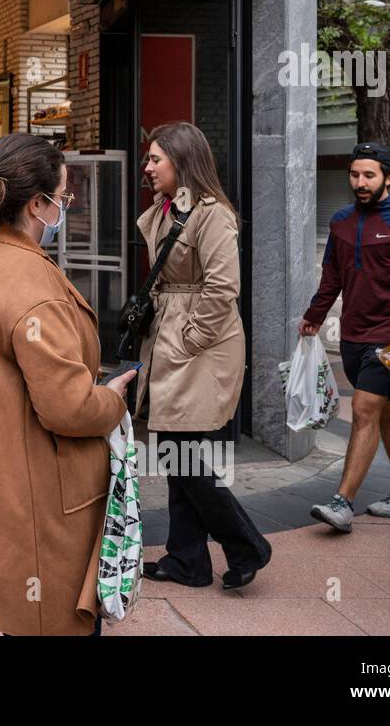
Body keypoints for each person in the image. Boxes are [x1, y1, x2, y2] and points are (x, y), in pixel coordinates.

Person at [0, 132, 135, 636]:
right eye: (63, 198)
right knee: (49, 624)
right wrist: (111, 399)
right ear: (37, 204)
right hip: (39, 498)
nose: (66, 207)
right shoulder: (31, 283)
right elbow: (68, 408)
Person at [135, 121, 271, 591]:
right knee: (177, 456)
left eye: (156, 159)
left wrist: (190, 339)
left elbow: (222, 287)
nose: (147, 167)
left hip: (201, 344)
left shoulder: (214, 214)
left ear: (182, 161)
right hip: (172, 337)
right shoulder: (165, 211)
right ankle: (186, 561)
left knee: (184, 456)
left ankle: (246, 545)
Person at [302, 142, 390, 531]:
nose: (360, 182)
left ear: (388, 176)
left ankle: (343, 502)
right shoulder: (340, 221)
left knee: (363, 409)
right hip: (354, 334)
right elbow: (332, 277)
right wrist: (314, 316)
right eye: (355, 175)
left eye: (369, 175)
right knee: (385, 410)